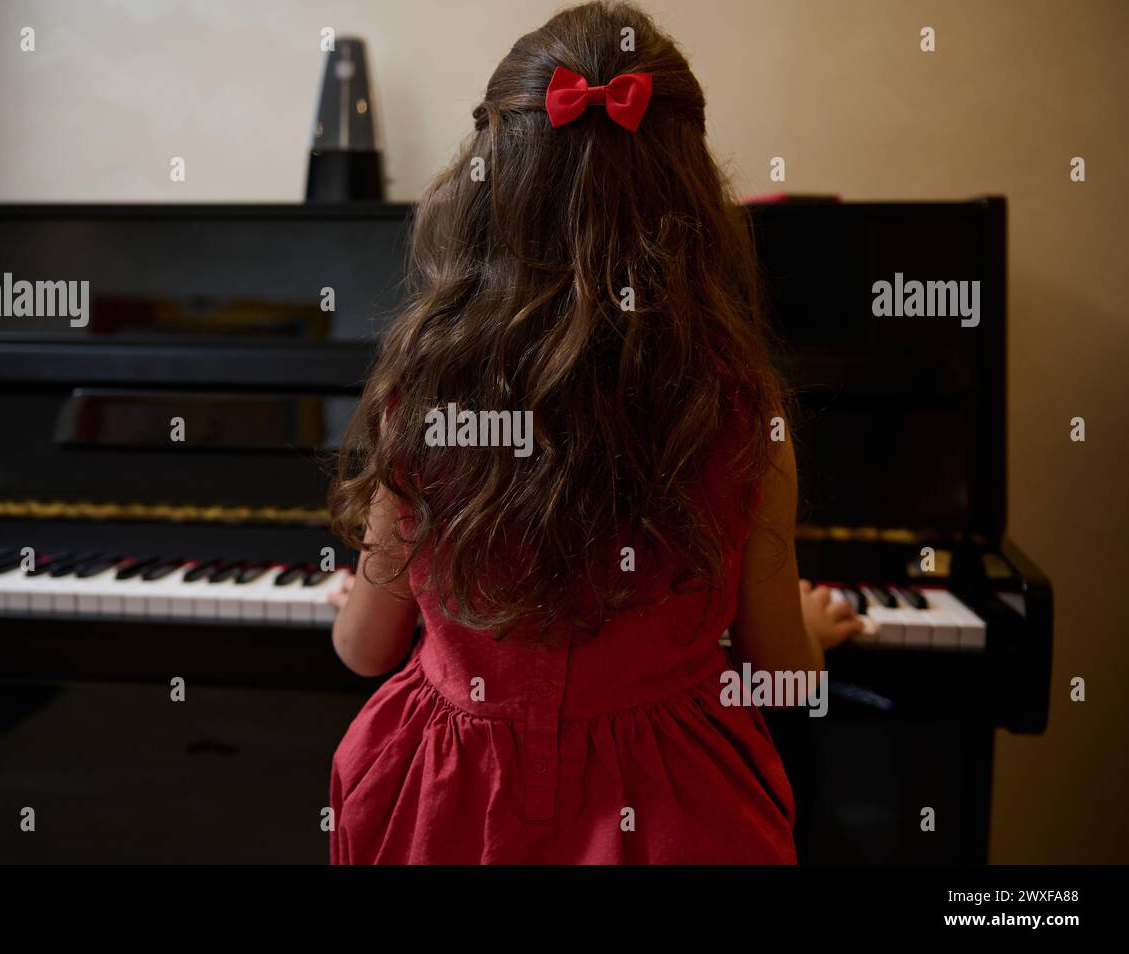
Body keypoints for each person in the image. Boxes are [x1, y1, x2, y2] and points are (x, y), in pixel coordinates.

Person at [325, 0, 861, 864]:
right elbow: (786, 676)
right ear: (690, 190)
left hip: (451, 808)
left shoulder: (426, 389)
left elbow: (363, 650)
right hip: (675, 816)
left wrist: (391, 598)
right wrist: (813, 633)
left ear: (489, 178)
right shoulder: (734, 405)